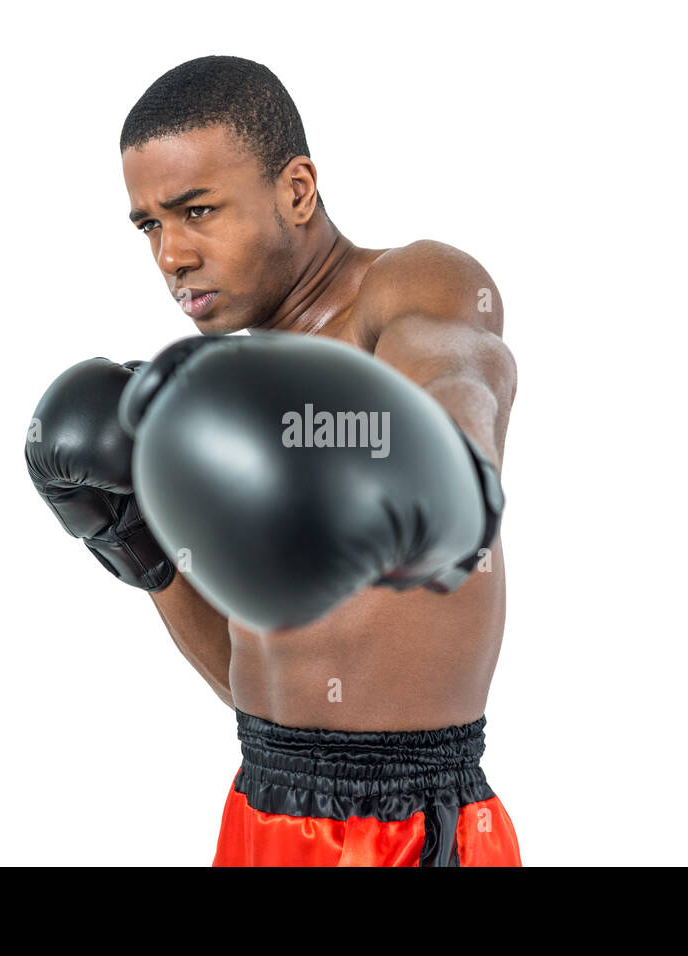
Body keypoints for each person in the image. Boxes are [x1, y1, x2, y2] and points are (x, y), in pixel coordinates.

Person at [26, 55, 519, 866]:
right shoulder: (234, 400)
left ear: (296, 190)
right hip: (263, 802)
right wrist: (135, 540)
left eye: (197, 210)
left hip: (400, 829)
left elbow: (463, 373)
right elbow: (257, 679)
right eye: (150, 224)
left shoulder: (410, 286)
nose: (171, 255)